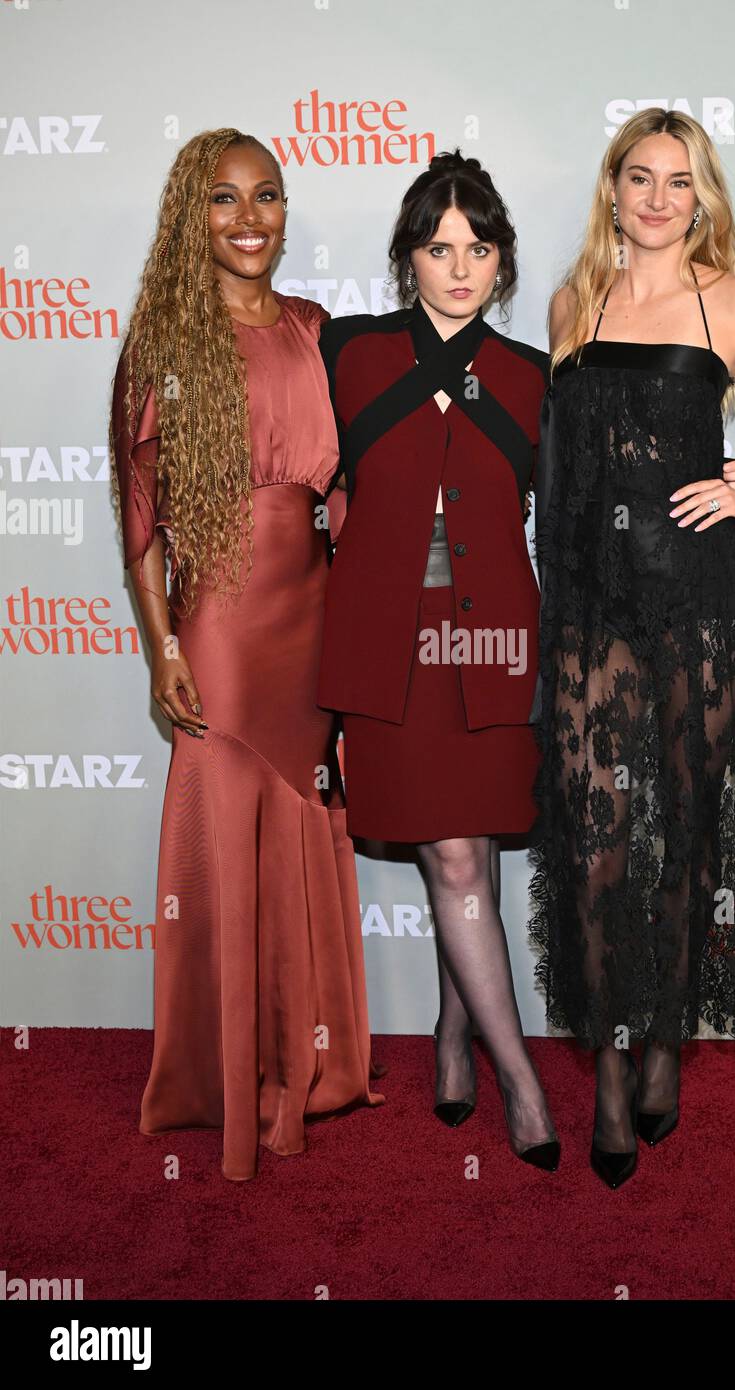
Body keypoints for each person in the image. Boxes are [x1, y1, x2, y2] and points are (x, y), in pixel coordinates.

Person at [527, 108, 735, 1189]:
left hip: (698, 600)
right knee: (594, 850)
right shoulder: (572, 301)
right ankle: (612, 1073)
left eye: (680, 181)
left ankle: (665, 1038)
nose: (658, 198)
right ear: (612, 188)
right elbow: (566, 466)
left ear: (703, 196)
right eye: (640, 177)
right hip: (591, 606)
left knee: (681, 834)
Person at [110, 127, 384, 1182]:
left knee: (310, 833)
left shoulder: (317, 329)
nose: (249, 219)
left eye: (265, 197)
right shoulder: (158, 346)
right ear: (193, 216)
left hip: (312, 618)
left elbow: (350, 492)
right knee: (223, 840)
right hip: (219, 626)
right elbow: (138, 521)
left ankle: (311, 1069)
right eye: (223, 201)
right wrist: (160, 648)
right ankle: (219, 1081)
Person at [317, 150, 559, 1170]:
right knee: (458, 856)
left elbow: (589, 502)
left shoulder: (534, 378)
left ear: (501, 262)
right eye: (437, 247)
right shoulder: (347, 354)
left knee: (479, 853)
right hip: (389, 654)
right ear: (406, 258)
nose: (458, 267)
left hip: (497, 646)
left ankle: (456, 1032)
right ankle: (522, 1080)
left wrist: (734, 476)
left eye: (478, 248)